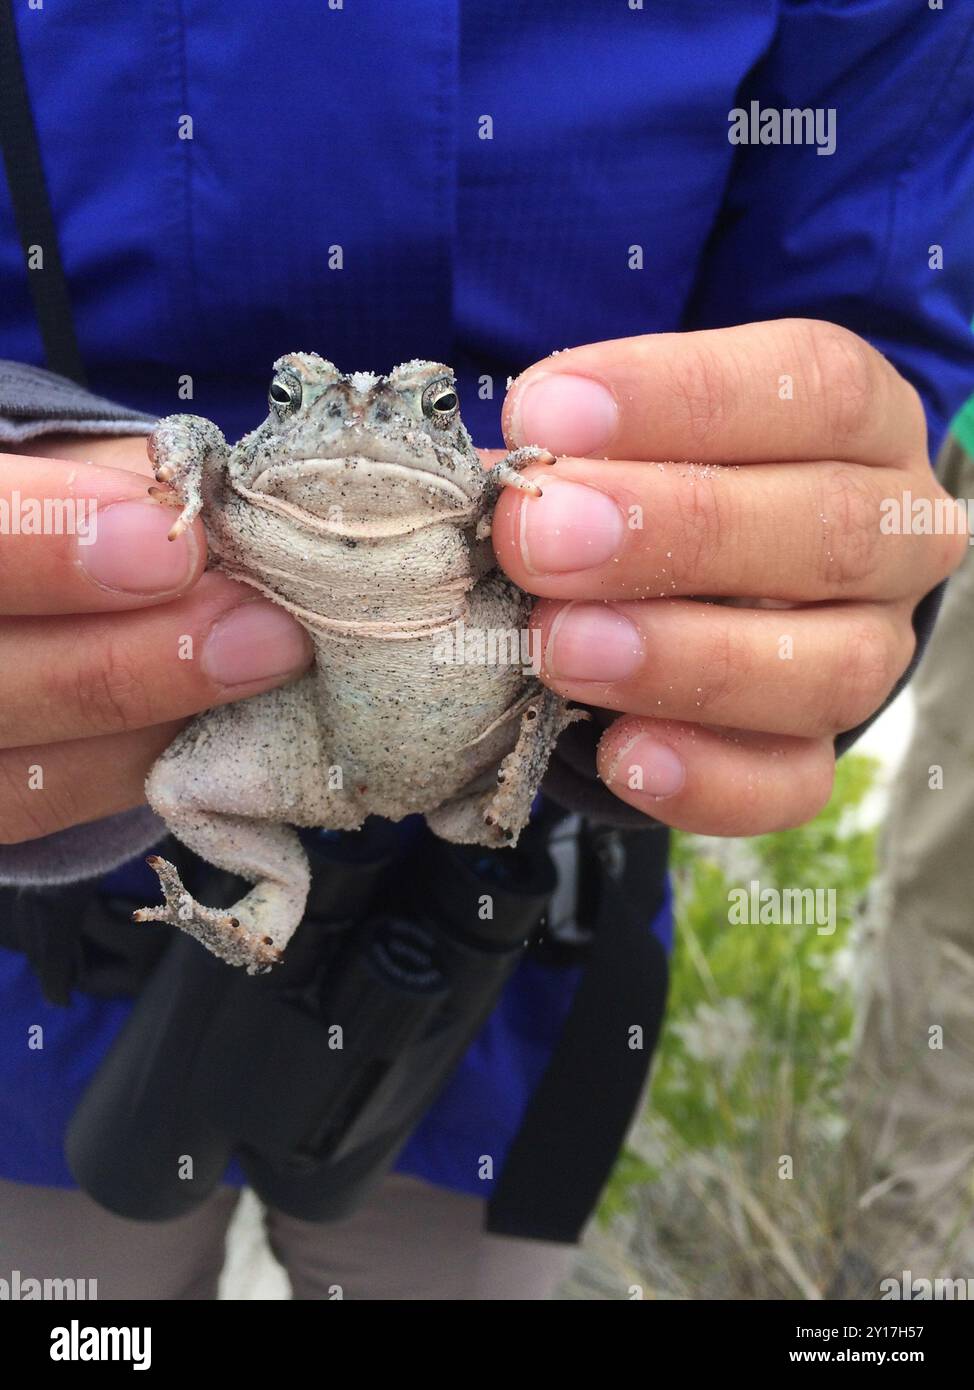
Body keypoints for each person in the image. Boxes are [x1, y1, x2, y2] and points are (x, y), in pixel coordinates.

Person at [0, 1, 972, 1300]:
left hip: (504, 947)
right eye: (313, 397)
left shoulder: (499, 484)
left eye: (403, 406)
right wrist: (58, 467)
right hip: (40, 956)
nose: (353, 415)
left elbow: (872, 320)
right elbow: (194, 455)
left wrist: (783, 575)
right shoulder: (240, 480)